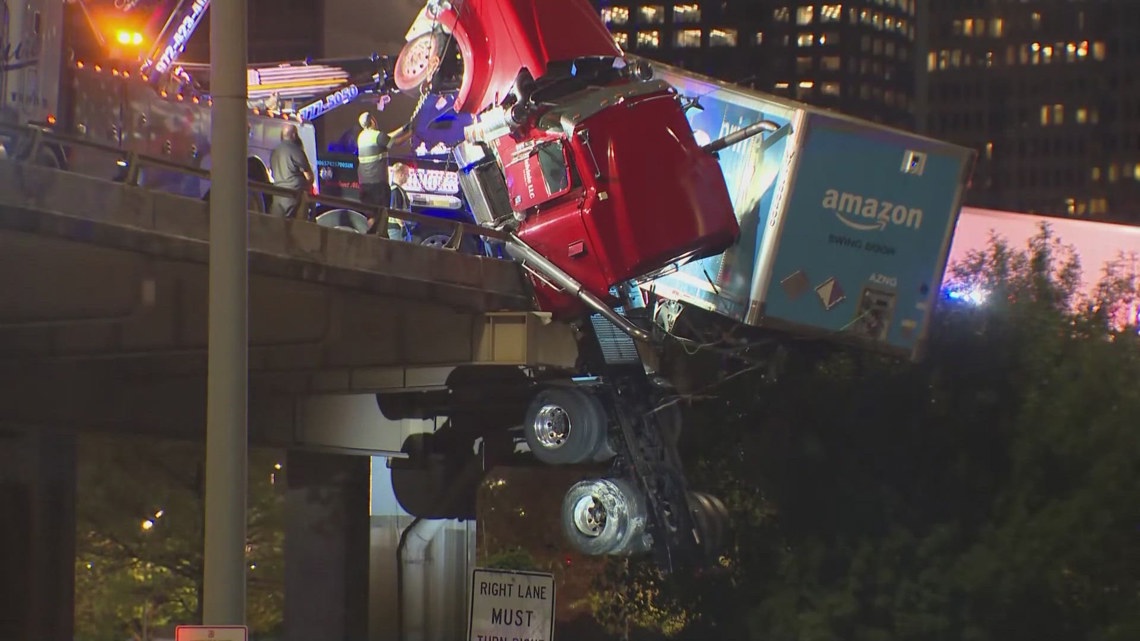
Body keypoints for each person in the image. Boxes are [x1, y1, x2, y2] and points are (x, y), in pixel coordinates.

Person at [357, 111, 412, 232]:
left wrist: (402, 129)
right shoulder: (378, 136)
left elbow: (385, 137)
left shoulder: (362, 137)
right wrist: (410, 134)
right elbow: (396, 142)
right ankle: (380, 238)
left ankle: (370, 238)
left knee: (371, 215)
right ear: (372, 121)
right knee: (382, 215)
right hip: (378, 184)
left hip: (364, 184)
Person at [269, 124, 313, 219]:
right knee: (297, 227)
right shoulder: (296, 150)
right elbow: (309, 177)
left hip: (277, 195)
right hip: (295, 196)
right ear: (293, 135)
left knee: (277, 225)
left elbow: (272, 174)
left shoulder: (274, 152)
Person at [386, 162, 412, 240]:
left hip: (399, 228)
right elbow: (396, 212)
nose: (408, 177)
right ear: (401, 175)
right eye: (407, 174)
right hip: (397, 229)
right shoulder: (396, 191)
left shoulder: (399, 190)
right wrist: (403, 226)